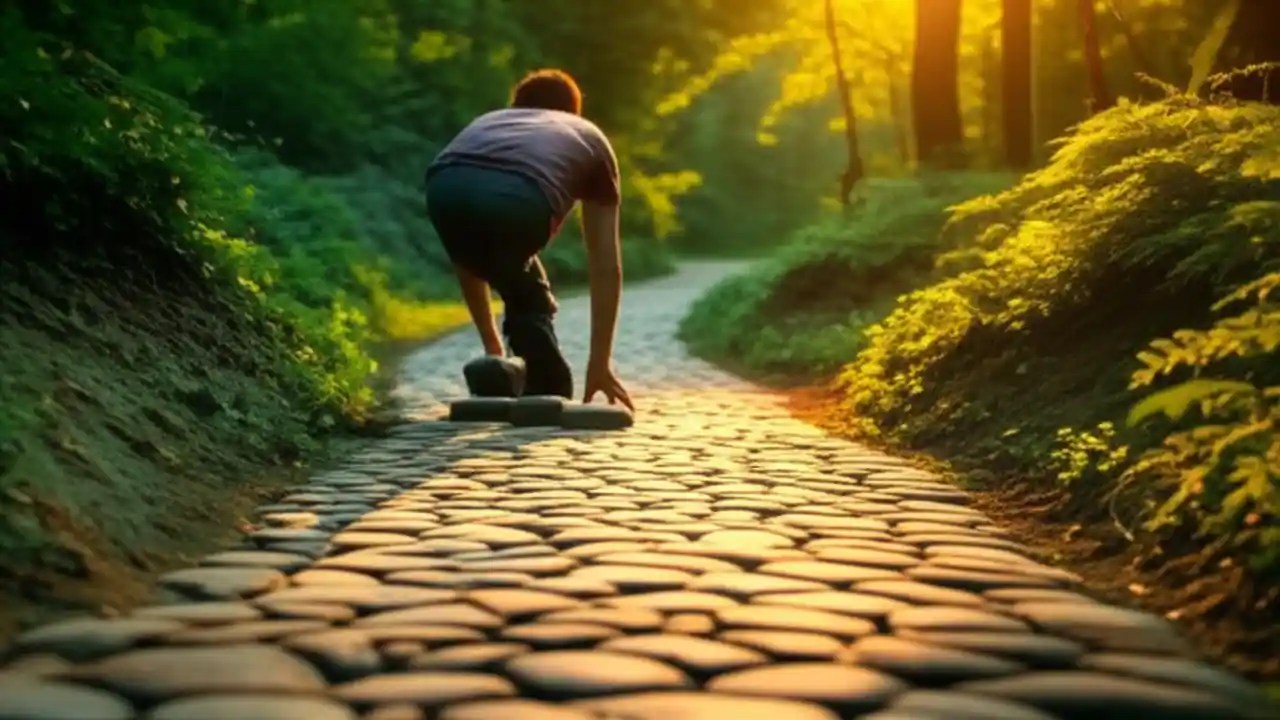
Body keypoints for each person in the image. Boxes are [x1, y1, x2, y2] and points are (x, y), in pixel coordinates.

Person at [424, 69, 633, 411]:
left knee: (520, 279)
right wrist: (599, 365)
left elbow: (467, 258)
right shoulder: (588, 135)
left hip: (443, 189)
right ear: (573, 111)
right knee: (530, 298)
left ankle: (507, 373)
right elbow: (605, 264)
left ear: (516, 105)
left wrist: (492, 348)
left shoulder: (490, 122)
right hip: (521, 198)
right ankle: (544, 384)